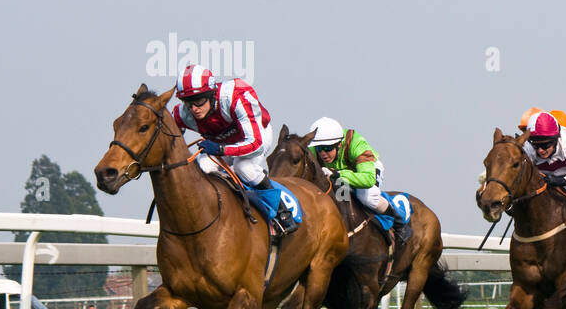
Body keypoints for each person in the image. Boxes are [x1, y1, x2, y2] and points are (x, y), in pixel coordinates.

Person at [172, 65, 297, 234]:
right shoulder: (182, 113)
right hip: (221, 143)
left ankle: (282, 212)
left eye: (199, 100)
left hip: (255, 136)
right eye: (188, 102)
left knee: (243, 168)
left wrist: (221, 149)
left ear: (211, 94)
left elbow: (255, 143)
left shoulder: (236, 97)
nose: (194, 108)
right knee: (202, 167)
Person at [308, 117, 412, 244]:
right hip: (339, 174)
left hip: (368, 170)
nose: (323, 154)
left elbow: (368, 179)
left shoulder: (357, 144)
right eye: (319, 149)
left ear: (339, 144)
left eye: (328, 148)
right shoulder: (313, 151)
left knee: (367, 197)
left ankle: (399, 222)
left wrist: (340, 174)